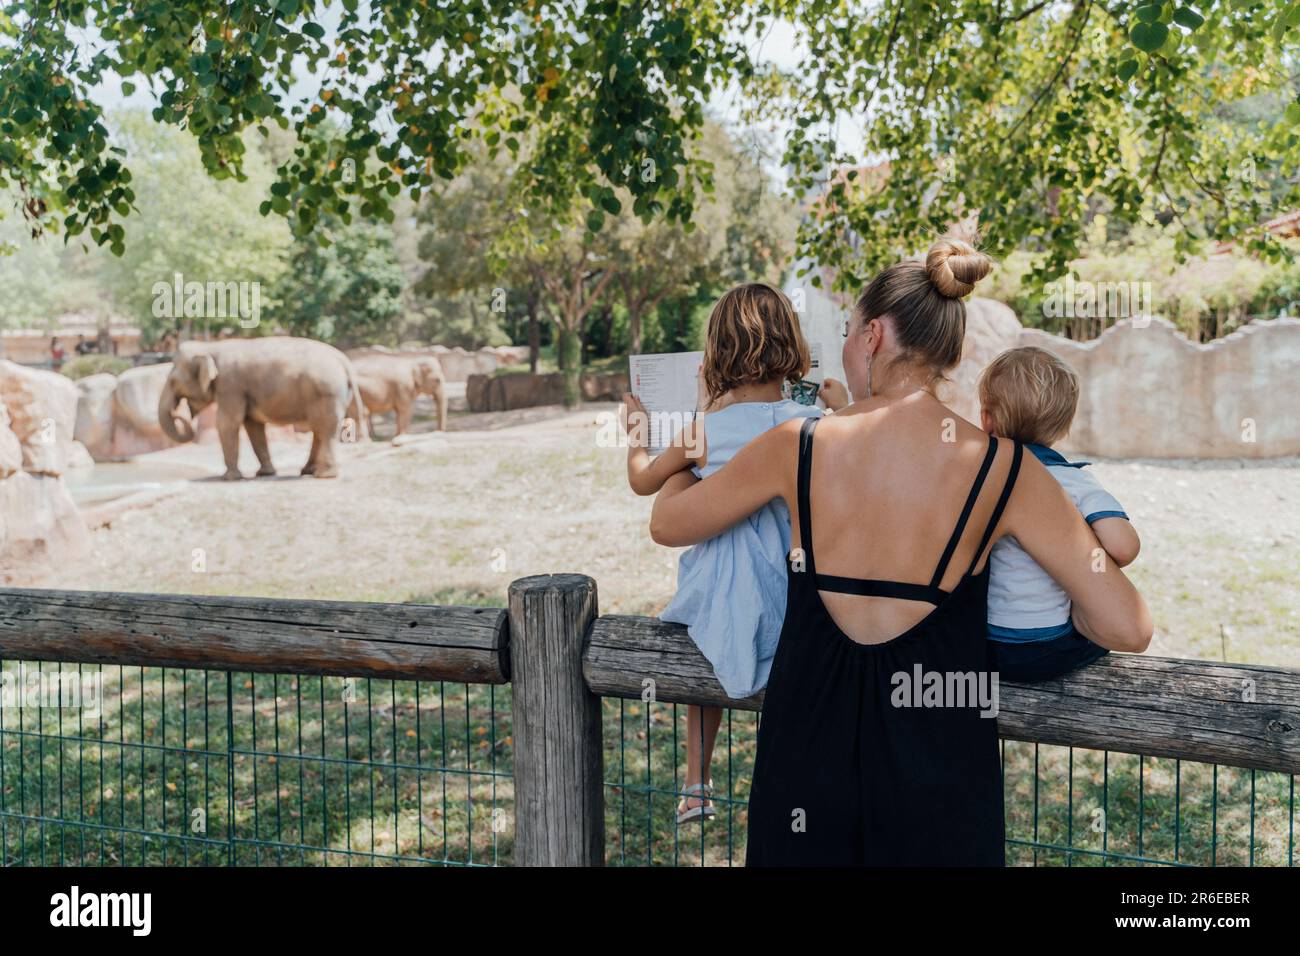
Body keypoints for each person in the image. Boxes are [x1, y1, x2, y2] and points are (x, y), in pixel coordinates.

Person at [649, 236, 1152, 864]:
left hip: (806, 765)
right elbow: (1127, 625)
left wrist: (693, 436)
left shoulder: (795, 446)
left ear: (873, 336)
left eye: (850, 331)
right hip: (938, 772)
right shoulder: (1006, 470)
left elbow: (668, 522)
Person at [623, 282, 847, 824]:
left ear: (716, 355)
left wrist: (636, 431)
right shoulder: (815, 422)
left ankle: (697, 781)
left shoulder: (705, 431)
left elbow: (642, 481)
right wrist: (844, 405)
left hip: (722, 590)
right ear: (791, 346)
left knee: (702, 669)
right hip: (798, 587)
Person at [979, 346, 1140, 682]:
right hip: (1046, 648)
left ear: (987, 419)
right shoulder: (1076, 482)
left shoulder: (977, 480)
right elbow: (1124, 547)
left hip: (983, 645)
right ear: (1064, 426)